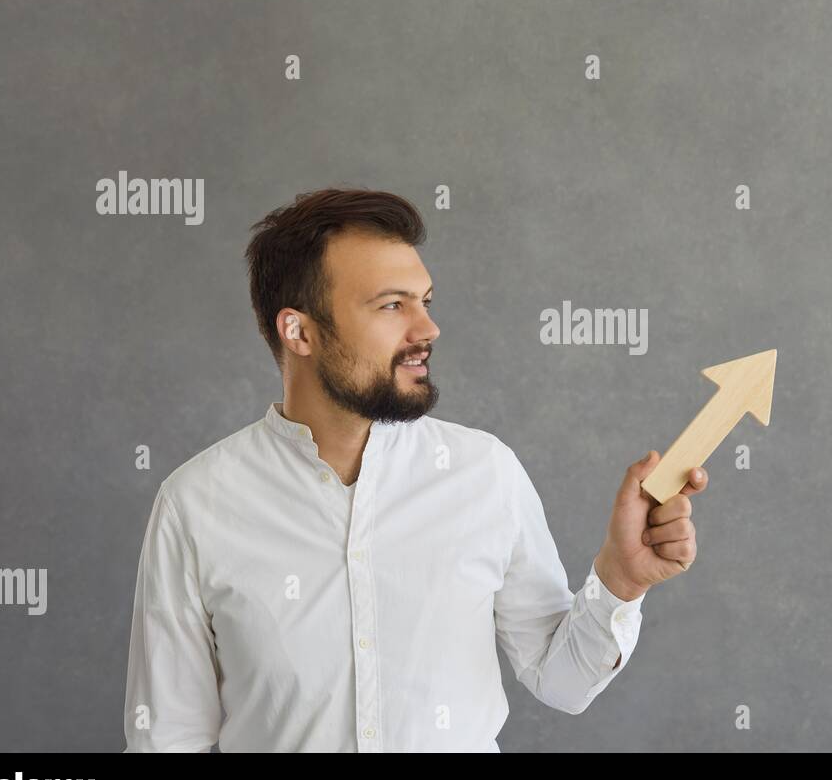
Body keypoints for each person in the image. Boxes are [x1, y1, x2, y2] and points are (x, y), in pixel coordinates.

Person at [121, 187, 706, 751]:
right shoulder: (196, 504)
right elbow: (168, 740)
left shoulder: (485, 474)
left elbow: (563, 682)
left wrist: (620, 583)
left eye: (425, 301)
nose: (427, 330)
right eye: (392, 305)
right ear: (297, 330)